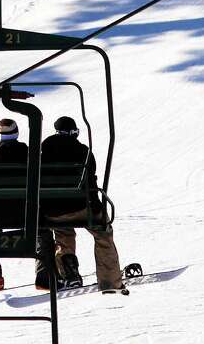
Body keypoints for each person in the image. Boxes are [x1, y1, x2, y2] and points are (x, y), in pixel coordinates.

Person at [41, 116, 128, 295]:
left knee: (63, 230)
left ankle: (69, 271)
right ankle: (109, 280)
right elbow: (91, 181)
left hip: (53, 212)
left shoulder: (43, 154)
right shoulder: (84, 152)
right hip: (83, 209)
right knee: (102, 232)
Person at [0, 118, 56, 293]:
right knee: (43, 230)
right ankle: (45, 276)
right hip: (30, 213)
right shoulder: (33, 158)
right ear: (17, 134)